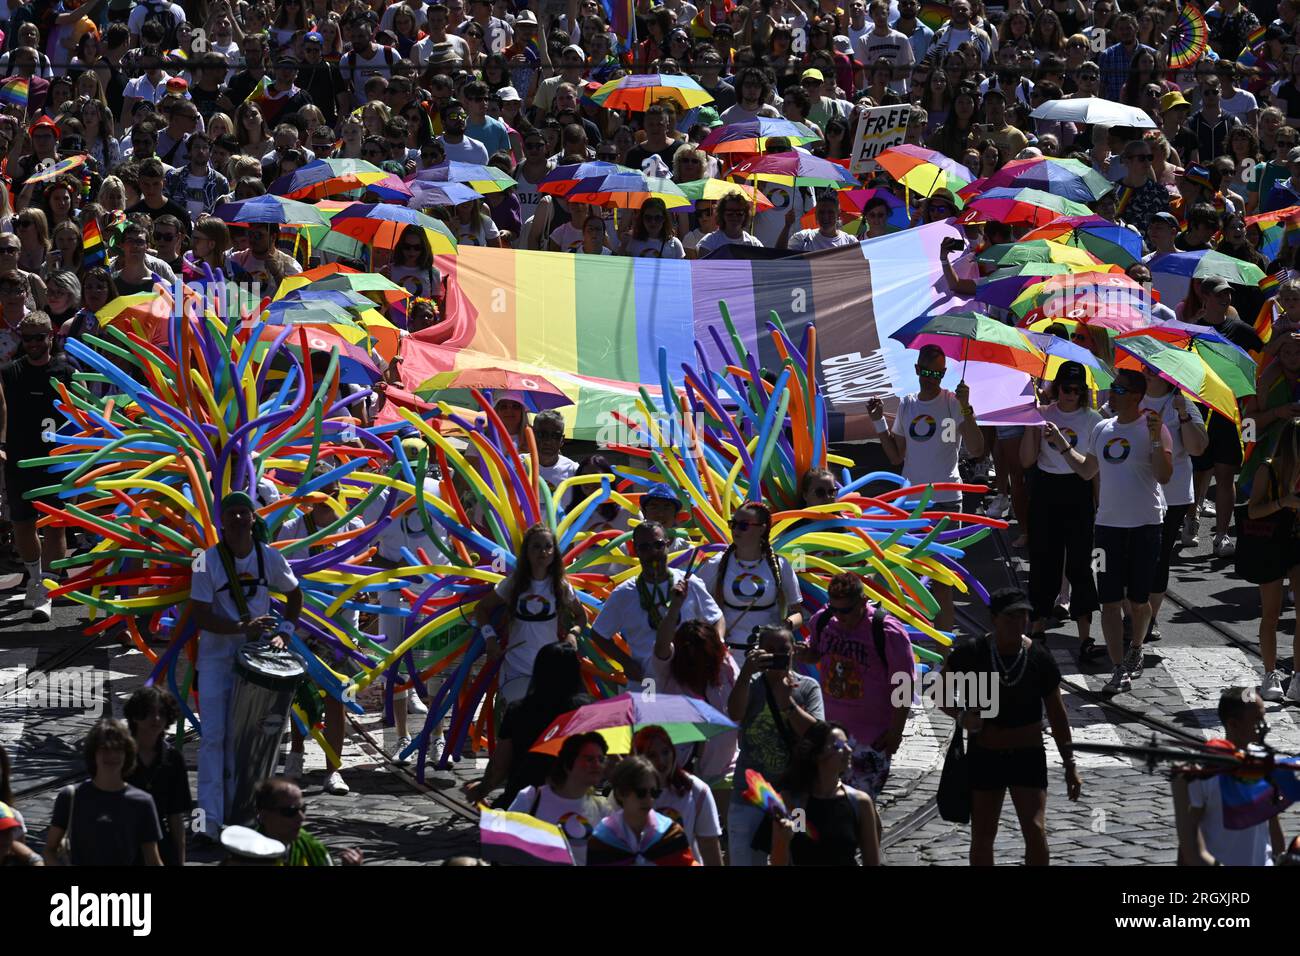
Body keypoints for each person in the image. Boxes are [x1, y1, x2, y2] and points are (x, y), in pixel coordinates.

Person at [189, 491, 303, 838]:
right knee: (213, 738)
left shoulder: (270, 557)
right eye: (232, 514)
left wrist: (284, 632)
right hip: (216, 660)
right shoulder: (203, 560)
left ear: (254, 519)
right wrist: (241, 628)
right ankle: (208, 820)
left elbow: (295, 594)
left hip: (258, 662)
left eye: (244, 513)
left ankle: (246, 814)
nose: (238, 520)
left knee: (253, 739)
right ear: (221, 522)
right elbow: (199, 614)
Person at [1052, 368, 1173, 695]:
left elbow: (1164, 476)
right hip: (1106, 528)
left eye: (1119, 389)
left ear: (1136, 396)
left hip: (1146, 526)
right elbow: (1087, 469)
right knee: (1108, 600)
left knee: (1137, 602)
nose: (1112, 393)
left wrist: (1154, 438)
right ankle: (1119, 668)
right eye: (1113, 388)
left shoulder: (1154, 429)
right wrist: (1063, 446)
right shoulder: (1102, 428)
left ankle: (1136, 644)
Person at [941, 588, 1082, 866]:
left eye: (1024, 616)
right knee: (983, 835)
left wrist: (1070, 763)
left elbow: (1057, 714)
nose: (1019, 623)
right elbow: (940, 691)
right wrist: (961, 716)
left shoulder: (1039, 658)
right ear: (994, 619)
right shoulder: (973, 654)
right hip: (985, 755)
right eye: (1011, 617)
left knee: (1035, 829)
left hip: (1027, 756)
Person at [870, 344, 983, 634]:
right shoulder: (908, 404)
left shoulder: (953, 403)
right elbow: (896, 456)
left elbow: (978, 448)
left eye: (936, 372)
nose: (930, 377)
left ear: (943, 373)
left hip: (946, 502)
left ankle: (944, 658)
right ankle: (912, 650)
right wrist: (878, 421)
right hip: (912, 505)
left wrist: (967, 407)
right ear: (917, 369)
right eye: (926, 371)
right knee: (908, 579)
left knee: (943, 584)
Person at [800, 572, 913, 800]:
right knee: (829, 803)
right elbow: (816, 653)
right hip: (831, 734)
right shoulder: (823, 620)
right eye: (835, 609)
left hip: (870, 738)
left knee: (861, 805)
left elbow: (903, 686)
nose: (840, 617)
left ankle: (870, 836)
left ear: (863, 602)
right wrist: (805, 654)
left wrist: (896, 732)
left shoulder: (886, 631)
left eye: (847, 611)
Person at [1021, 362, 1105, 650]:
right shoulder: (1043, 415)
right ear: (1057, 388)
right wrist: (1031, 424)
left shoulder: (1093, 420)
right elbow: (1026, 461)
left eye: (1076, 389)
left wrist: (1099, 503)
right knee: (1044, 560)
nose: (1070, 394)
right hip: (1047, 488)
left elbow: (1093, 471)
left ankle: (1085, 634)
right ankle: (1037, 625)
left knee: (1080, 563)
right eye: (1066, 388)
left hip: (1077, 489)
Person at [726, 622, 825, 865]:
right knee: (745, 860)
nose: (777, 654)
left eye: (783, 648)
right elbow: (735, 713)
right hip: (749, 792)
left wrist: (788, 704)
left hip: (796, 792)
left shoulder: (808, 687)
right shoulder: (750, 684)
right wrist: (746, 673)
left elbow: (817, 734)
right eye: (769, 649)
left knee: (798, 858)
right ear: (758, 650)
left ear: (794, 650)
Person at [1, 311, 75, 622]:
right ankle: (34, 578)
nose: (33, 344)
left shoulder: (65, 371)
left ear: (50, 337)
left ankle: (46, 589)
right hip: (19, 460)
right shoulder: (10, 373)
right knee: (23, 525)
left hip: (54, 461)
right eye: (27, 337)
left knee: (56, 527)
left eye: (39, 338)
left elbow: (76, 414)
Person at [462, 641, 593, 807]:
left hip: (523, 803)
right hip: (573, 805)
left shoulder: (518, 710)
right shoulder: (587, 711)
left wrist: (481, 790)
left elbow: (500, 765)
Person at [591, 520, 723, 682]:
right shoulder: (624, 593)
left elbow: (716, 618)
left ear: (667, 545)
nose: (653, 552)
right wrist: (627, 663)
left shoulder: (690, 583)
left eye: (658, 545)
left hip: (688, 678)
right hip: (647, 680)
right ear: (636, 551)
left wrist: (716, 647)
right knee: (649, 708)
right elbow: (598, 633)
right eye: (645, 547)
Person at [1173, 687, 1286, 865]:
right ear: (1233, 724)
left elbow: (1272, 822)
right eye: (1257, 719)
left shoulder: (1265, 762)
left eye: (1263, 716)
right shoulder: (1207, 772)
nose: (1264, 725)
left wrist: (1281, 857)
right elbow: (1190, 833)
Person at [475, 523, 584, 705]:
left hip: (549, 668)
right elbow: (481, 609)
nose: (543, 552)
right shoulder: (514, 583)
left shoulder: (561, 585)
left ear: (554, 552)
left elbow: (581, 616)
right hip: (516, 668)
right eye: (536, 546)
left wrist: (573, 634)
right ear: (527, 551)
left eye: (548, 546)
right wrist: (490, 638)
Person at [1140, 366, 1209, 645]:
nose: (1147, 372)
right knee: (1134, 555)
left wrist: (1182, 415)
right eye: (1145, 367)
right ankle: (1135, 610)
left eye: (1154, 369)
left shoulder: (1184, 404)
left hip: (1173, 493)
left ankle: (1150, 617)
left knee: (1158, 556)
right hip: (1137, 489)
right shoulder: (1133, 397)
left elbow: (1197, 448)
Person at [44, 719, 165, 866]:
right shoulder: (71, 797)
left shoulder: (142, 802)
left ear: (127, 754)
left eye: (117, 749)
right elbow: (50, 850)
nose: (111, 755)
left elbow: (152, 860)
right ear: (93, 754)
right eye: (105, 749)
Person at [696, 501, 802, 666]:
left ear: (762, 529)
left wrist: (785, 626)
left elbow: (798, 613)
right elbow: (694, 601)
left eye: (743, 525)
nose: (736, 530)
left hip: (767, 656)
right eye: (733, 524)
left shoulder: (780, 565)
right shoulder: (716, 564)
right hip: (727, 657)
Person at [1240, 418, 1300, 703]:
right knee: (1272, 613)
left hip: (1298, 542)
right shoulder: (1268, 469)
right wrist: (1283, 502)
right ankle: (1270, 673)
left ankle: (1298, 677)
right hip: (1271, 542)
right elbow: (1252, 511)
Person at [768, 720, 881, 866]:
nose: (848, 750)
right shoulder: (794, 803)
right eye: (839, 746)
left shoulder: (860, 803)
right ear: (817, 755)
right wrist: (782, 841)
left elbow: (872, 861)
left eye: (847, 744)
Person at [507, 732, 610, 865]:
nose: (596, 764)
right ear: (568, 764)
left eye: (601, 759)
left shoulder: (602, 808)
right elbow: (504, 850)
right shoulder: (531, 798)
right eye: (589, 759)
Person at [632, 724, 724, 866]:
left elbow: (709, 847)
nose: (661, 761)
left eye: (665, 752)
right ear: (639, 757)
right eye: (652, 755)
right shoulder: (624, 794)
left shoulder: (698, 791)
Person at [123, 687, 192, 866]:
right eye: (149, 713)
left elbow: (175, 817)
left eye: (161, 713)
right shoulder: (119, 754)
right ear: (135, 716)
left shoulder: (173, 759)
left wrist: (180, 861)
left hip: (160, 843)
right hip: (121, 842)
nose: (156, 719)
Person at [586, 755, 697, 866]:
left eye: (654, 792)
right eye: (641, 793)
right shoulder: (601, 840)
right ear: (620, 793)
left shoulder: (671, 834)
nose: (649, 799)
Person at [254, 779, 362, 866]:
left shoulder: (308, 846)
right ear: (264, 815)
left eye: (303, 809)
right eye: (290, 811)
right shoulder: (248, 853)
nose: (301, 817)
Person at [782, 189, 857, 251]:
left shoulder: (850, 242)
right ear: (816, 214)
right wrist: (787, 226)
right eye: (821, 212)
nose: (825, 216)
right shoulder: (802, 237)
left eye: (830, 212)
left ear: (838, 214)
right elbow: (780, 258)